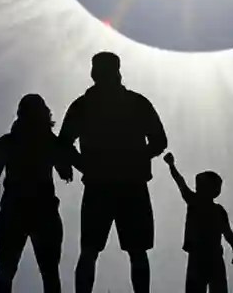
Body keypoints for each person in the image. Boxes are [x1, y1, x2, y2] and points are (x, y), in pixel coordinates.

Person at [59, 51, 168, 293]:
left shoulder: (132, 103)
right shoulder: (87, 105)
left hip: (125, 185)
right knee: (97, 251)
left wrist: (79, 164)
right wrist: (79, 164)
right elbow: (64, 143)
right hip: (112, 185)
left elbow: (160, 141)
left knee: (128, 252)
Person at [0, 94, 80, 293]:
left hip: (15, 209)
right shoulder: (48, 140)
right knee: (49, 273)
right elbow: (67, 166)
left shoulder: (10, 141)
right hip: (41, 209)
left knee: (7, 271)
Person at [162, 153, 233, 293]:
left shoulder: (216, 210)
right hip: (198, 255)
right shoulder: (194, 200)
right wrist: (171, 165)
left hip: (213, 256)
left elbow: (228, 232)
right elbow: (180, 182)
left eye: (201, 185)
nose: (198, 187)